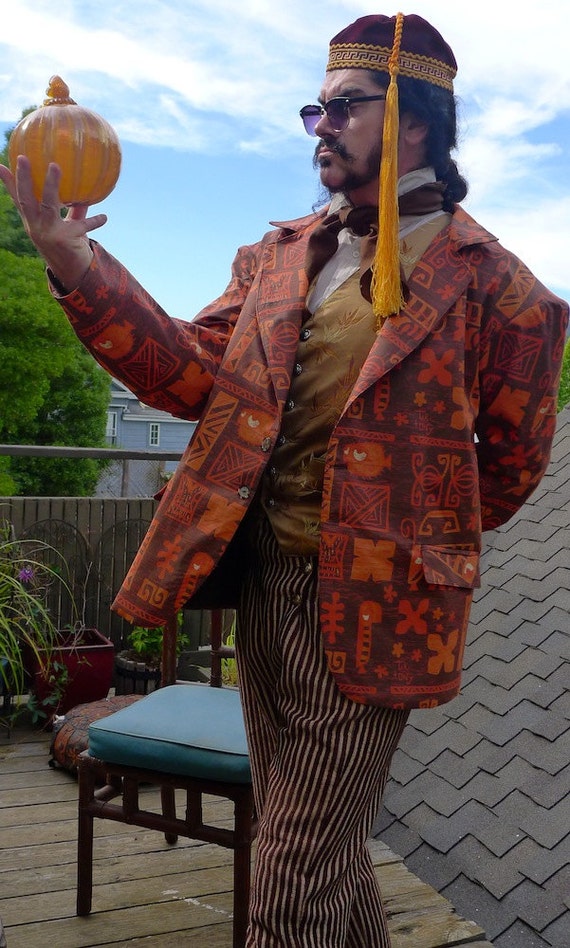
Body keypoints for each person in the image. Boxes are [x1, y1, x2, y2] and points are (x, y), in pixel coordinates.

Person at [1, 12, 568, 947]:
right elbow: (188, 374)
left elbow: (512, 466)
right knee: (320, 846)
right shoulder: (277, 258)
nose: (321, 127)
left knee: (296, 858)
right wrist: (74, 262)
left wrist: (415, 535)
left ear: (415, 120)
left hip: (386, 608)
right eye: (317, 109)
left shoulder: (503, 291)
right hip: (266, 584)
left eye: (345, 107)